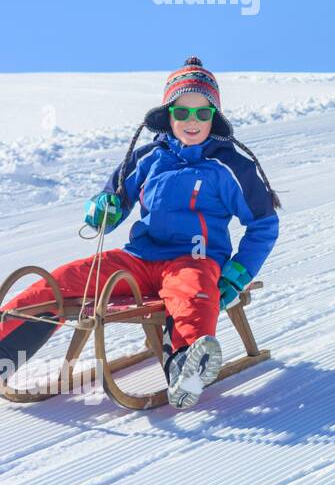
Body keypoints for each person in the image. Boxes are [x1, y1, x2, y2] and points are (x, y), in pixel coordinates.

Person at [0, 57, 281, 408]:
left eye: (202, 113)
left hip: (195, 260)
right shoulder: (148, 158)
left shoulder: (229, 166)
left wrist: (239, 271)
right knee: (65, 280)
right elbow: (115, 199)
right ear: (168, 115)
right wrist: (103, 209)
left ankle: (187, 366)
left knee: (191, 296)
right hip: (138, 260)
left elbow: (264, 223)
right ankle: (3, 348)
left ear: (214, 117)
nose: (191, 122)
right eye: (182, 113)